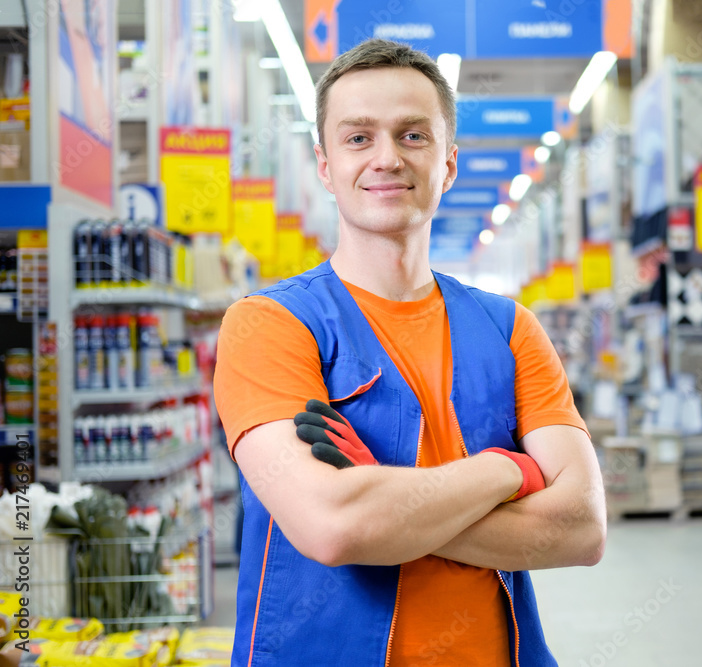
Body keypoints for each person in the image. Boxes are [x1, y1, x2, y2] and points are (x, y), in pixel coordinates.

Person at [214, 38, 607, 667]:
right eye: (359, 137)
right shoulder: (269, 325)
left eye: (413, 136)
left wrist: (390, 511)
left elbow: (582, 528)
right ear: (325, 164)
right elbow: (335, 527)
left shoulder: (509, 330)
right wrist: (510, 472)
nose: (387, 157)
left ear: (448, 164)